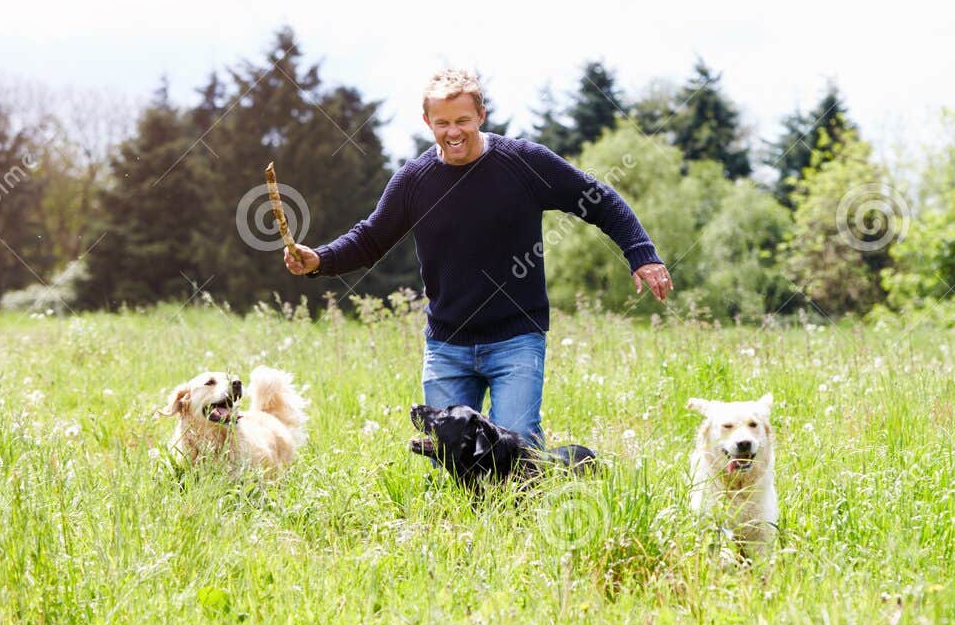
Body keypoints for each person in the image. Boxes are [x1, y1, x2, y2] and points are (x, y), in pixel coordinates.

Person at [285, 68, 672, 446]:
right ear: (427, 122)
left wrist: (642, 254)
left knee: (516, 458)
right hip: (447, 346)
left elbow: (599, 199)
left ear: (481, 116)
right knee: (448, 466)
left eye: (463, 120)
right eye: (442, 123)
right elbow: (370, 238)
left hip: (516, 339)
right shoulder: (414, 180)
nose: (453, 132)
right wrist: (319, 259)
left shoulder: (523, 162)